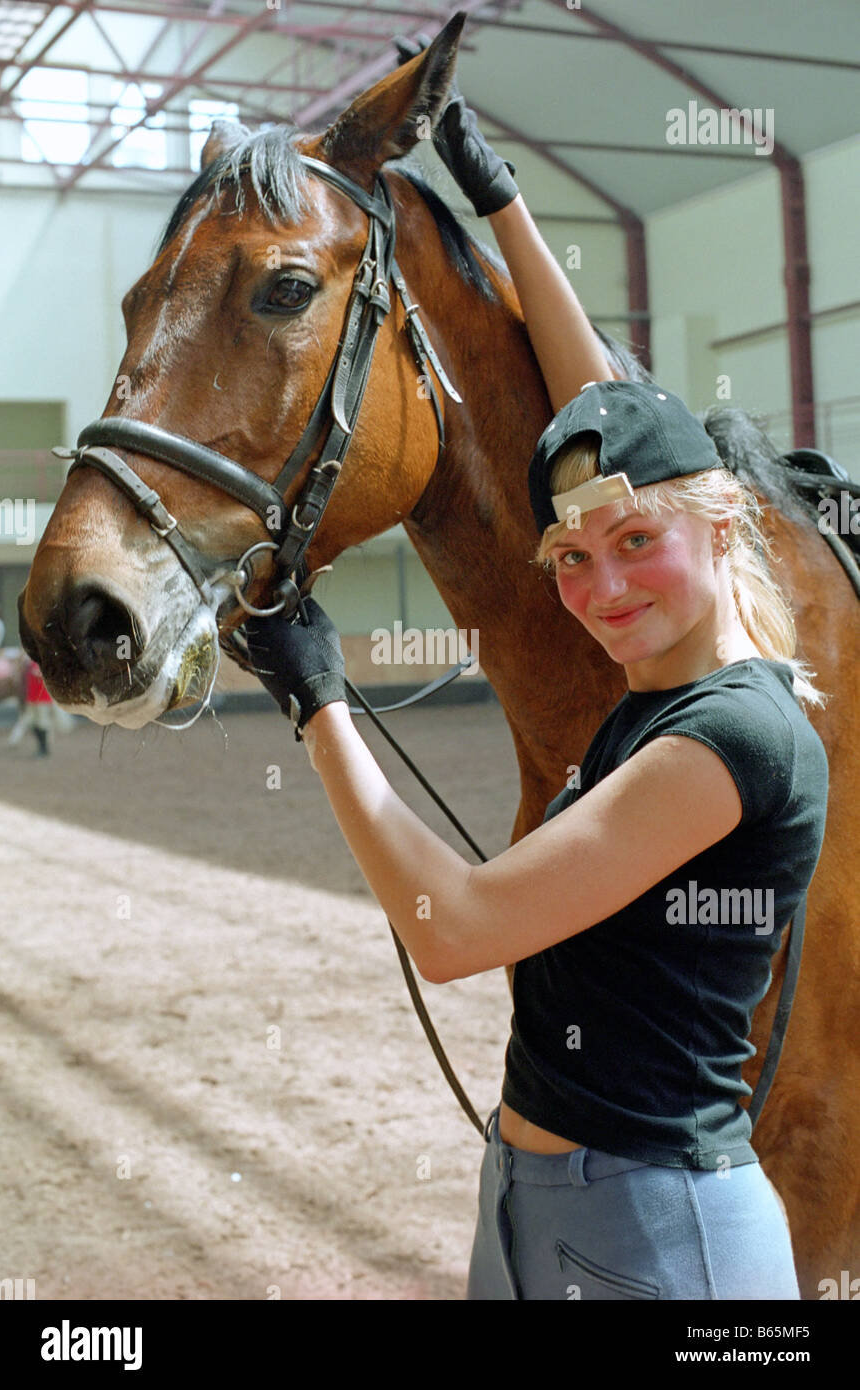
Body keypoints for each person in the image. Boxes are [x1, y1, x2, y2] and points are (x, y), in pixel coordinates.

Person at [242, 43, 829, 1301]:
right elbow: (609, 432)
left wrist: (319, 701)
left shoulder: (732, 739)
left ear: (720, 527)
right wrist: (501, 204)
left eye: (633, 547)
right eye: (571, 556)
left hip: (663, 1242)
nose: (598, 586)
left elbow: (451, 931)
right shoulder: (658, 685)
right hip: (530, 1210)